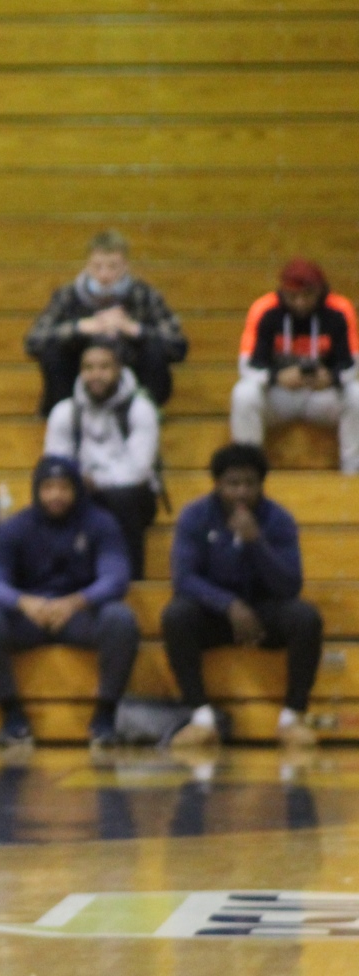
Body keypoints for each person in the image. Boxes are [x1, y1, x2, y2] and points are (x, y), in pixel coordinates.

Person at [0, 457, 139, 750]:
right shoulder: (15, 527)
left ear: (77, 490)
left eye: (63, 487)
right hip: (31, 615)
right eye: (48, 487)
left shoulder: (100, 523)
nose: (55, 495)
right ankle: (13, 718)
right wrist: (23, 602)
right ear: (36, 490)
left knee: (120, 618)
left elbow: (117, 578)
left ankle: (105, 717)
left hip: (80, 614)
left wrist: (77, 601)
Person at [162, 444, 322, 750]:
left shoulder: (278, 520)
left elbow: (290, 586)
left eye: (249, 484)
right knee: (176, 615)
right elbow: (184, 579)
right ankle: (201, 719)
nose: (241, 492)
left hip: (263, 614)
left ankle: (292, 719)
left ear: (261, 485)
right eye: (232, 484)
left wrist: (256, 542)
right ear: (218, 484)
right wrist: (230, 605)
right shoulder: (195, 516)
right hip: (215, 614)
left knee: (306, 618)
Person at [25, 229, 187, 415]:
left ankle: (146, 411)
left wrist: (134, 329)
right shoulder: (68, 295)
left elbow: (178, 345)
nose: (104, 275)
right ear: (87, 265)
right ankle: (65, 414)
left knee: (154, 348)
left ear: (125, 266)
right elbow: (33, 342)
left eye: (113, 267)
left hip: (131, 380)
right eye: (97, 266)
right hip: (76, 384)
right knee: (53, 350)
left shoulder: (144, 295)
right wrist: (80, 327)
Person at [230, 258, 359, 474]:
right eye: (293, 296)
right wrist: (276, 378)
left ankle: (353, 471)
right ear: (282, 292)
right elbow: (247, 366)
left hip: (321, 395)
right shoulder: (264, 309)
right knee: (243, 394)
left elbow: (351, 364)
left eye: (307, 295)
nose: (300, 302)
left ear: (320, 291)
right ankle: (248, 472)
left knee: (356, 395)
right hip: (280, 394)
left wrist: (331, 378)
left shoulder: (339, 309)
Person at [43, 340, 161, 577]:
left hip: (134, 496)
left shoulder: (141, 409)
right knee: (55, 498)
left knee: (123, 498)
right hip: (81, 492)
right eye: (88, 367)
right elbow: (55, 465)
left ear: (119, 369)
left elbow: (137, 471)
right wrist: (76, 483)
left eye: (104, 367)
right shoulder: (64, 412)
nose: (96, 375)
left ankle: (132, 580)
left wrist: (94, 481)